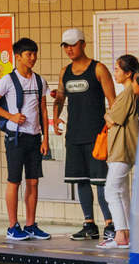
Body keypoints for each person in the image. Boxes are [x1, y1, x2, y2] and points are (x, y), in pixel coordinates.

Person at [49, 28, 116, 242]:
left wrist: (112, 128)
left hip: (97, 135)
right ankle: (89, 224)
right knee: (81, 181)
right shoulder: (64, 72)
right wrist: (56, 116)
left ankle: (110, 223)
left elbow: (113, 102)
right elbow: (60, 97)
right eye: (65, 46)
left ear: (83, 44)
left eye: (73, 44)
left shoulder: (98, 69)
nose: (69, 49)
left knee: (101, 181)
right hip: (74, 135)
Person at [0, 38, 52, 242]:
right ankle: (13, 226)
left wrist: (45, 138)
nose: (33, 58)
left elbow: (43, 109)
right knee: (14, 181)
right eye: (28, 54)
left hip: (34, 138)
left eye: (35, 54)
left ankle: (31, 225)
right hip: (15, 138)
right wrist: (11, 116)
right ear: (18, 57)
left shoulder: (40, 81)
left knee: (33, 182)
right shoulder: (8, 80)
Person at [105, 59, 139, 249]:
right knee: (122, 192)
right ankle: (128, 233)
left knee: (111, 190)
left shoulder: (128, 92)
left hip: (121, 149)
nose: (115, 73)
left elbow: (113, 119)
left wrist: (106, 114)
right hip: (124, 149)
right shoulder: (130, 93)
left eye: (118, 69)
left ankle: (120, 234)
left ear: (128, 73)